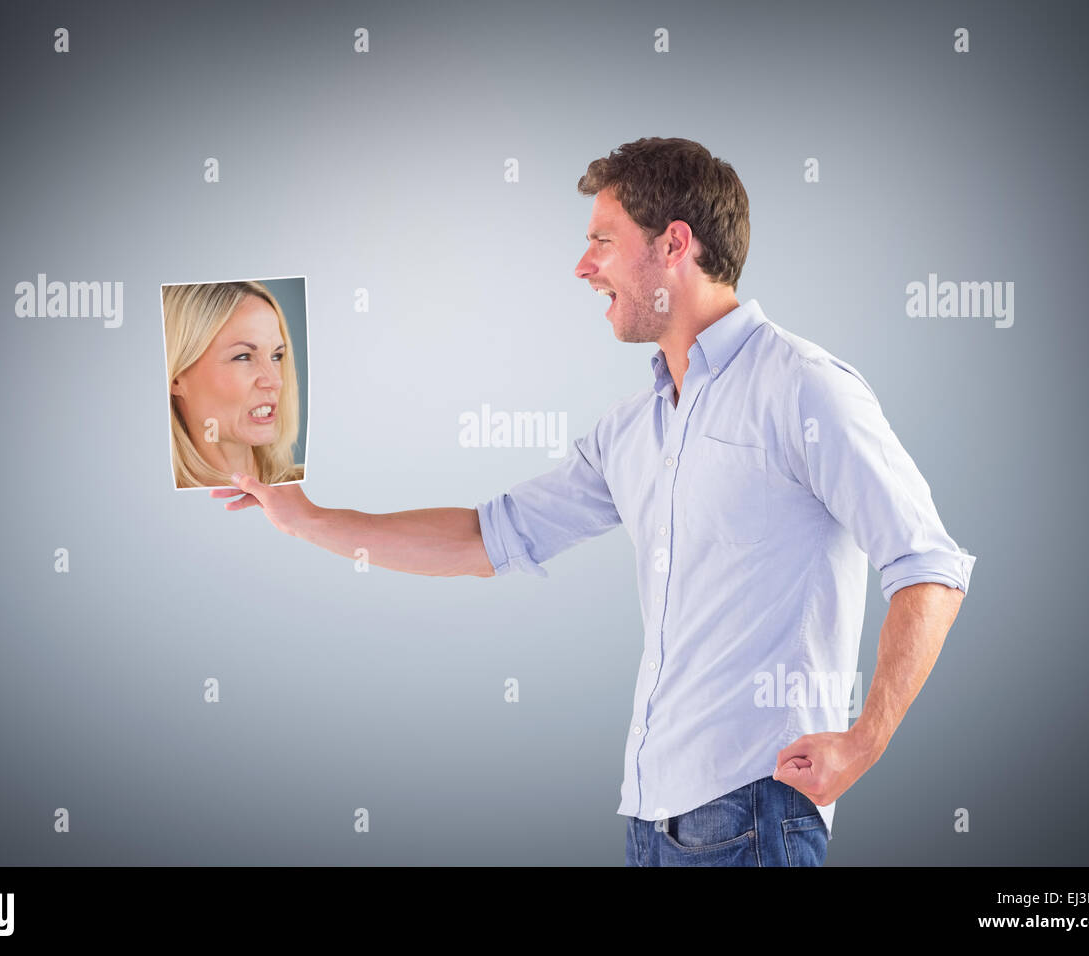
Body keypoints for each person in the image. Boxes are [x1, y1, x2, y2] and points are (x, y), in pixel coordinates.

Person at [210, 137, 976, 867]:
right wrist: (304, 518)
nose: (583, 267)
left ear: (674, 245)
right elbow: (487, 538)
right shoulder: (635, 429)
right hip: (651, 818)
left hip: (754, 812)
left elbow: (929, 563)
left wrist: (865, 740)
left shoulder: (803, 387)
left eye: (603, 241)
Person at [163, 281, 305, 488]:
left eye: (276, 356)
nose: (275, 381)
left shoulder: (315, 492)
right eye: (243, 356)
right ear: (176, 377)